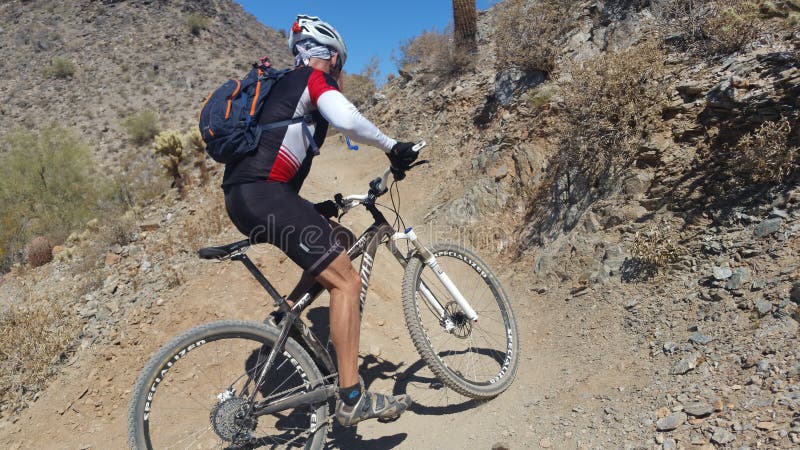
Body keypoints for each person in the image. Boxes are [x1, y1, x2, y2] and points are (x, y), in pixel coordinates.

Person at [222, 14, 418, 426]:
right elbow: (347, 120)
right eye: (339, 65)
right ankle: (350, 398)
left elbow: (275, 156)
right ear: (329, 56)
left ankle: (288, 314)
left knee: (339, 237)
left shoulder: (281, 88)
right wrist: (391, 145)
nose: (340, 73)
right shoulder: (311, 81)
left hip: (248, 196)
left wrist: (315, 209)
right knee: (345, 280)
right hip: (263, 195)